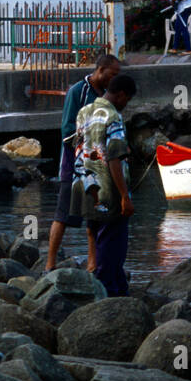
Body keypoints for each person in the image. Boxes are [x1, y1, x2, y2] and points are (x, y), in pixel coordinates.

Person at [45, 52, 122, 273]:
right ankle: (49, 264)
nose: (114, 78)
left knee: (93, 217)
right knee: (63, 215)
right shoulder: (78, 92)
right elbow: (67, 130)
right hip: (73, 164)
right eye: (112, 74)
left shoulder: (108, 96)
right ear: (100, 70)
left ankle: (92, 264)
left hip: (98, 166)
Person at [76, 73, 138, 297]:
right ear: (121, 95)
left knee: (100, 241)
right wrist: (124, 196)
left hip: (88, 188)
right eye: (127, 100)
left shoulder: (84, 112)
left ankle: (117, 290)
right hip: (110, 194)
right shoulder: (113, 117)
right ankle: (109, 295)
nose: (125, 105)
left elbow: (78, 149)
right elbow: (114, 159)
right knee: (113, 247)